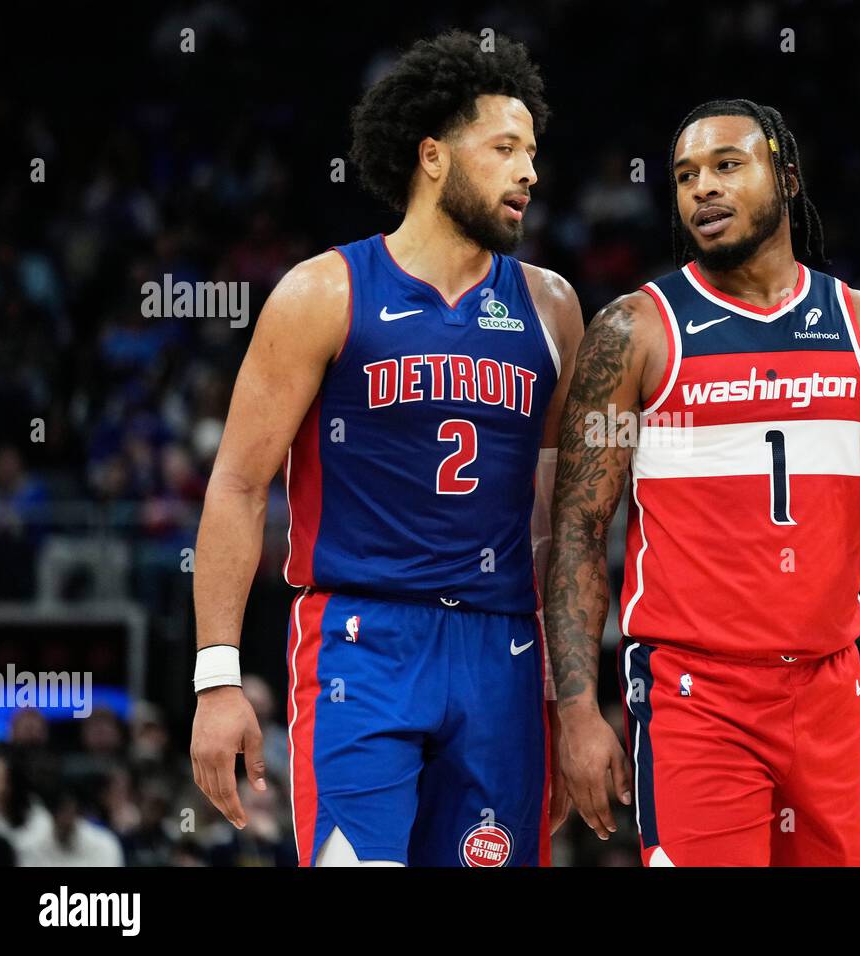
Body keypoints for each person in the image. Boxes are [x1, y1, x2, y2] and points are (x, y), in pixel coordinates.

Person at [544, 99, 860, 866]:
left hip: (827, 686)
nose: (702, 189)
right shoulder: (634, 331)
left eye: (726, 166)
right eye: (684, 177)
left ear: (783, 176)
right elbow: (578, 528)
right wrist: (578, 711)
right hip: (693, 694)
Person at [189, 31, 582, 867]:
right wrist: (217, 675)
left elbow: (560, 523)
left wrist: (566, 697)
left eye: (534, 154)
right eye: (505, 148)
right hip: (359, 642)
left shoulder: (552, 309)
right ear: (432, 155)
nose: (529, 173)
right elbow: (235, 485)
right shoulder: (322, 292)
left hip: (501, 651)